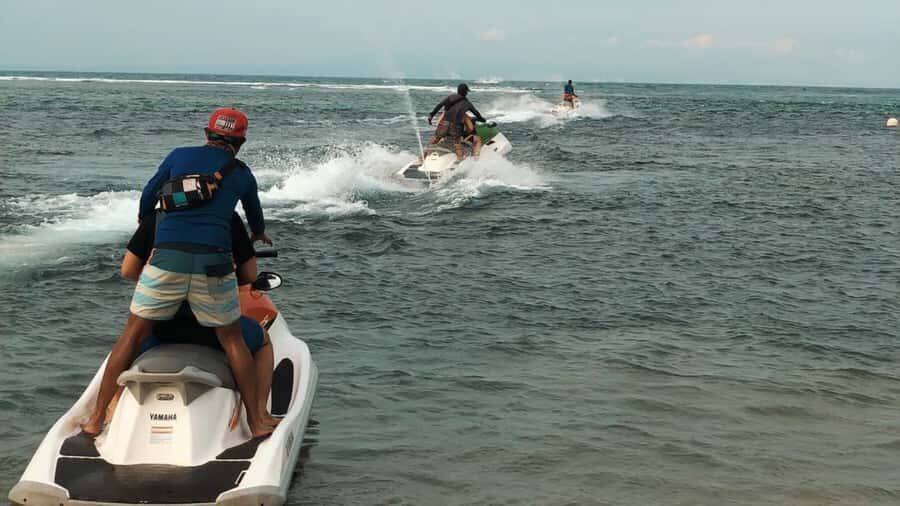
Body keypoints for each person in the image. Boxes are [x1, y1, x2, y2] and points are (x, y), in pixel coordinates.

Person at [82, 107, 274, 438]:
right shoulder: (241, 174)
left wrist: (148, 223)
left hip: (166, 261)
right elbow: (254, 215)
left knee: (132, 335)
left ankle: (96, 419)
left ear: (206, 133)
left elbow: (148, 195)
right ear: (240, 142)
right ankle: (257, 422)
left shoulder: (178, 155)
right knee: (232, 340)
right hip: (212, 264)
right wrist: (257, 234)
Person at [119, 211, 279, 428]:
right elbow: (250, 274)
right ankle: (258, 413)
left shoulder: (157, 218)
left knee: (128, 341)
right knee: (262, 341)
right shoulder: (226, 218)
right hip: (212, 332)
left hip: (162, 331)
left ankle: (107, 411)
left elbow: (128, 270)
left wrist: (156, 281)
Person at [427, 83, 488, 160]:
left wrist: (431, 115)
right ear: (466, 92)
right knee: (457, 144)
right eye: (467, 92)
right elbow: (476, 113)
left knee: (434, 140)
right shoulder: (467, 103)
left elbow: (439, 105)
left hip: (445, 123)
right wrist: (482, 119)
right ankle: (460, 161)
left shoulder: (450, 97)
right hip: (456, 126)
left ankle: (422, 158)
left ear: (458, 90)